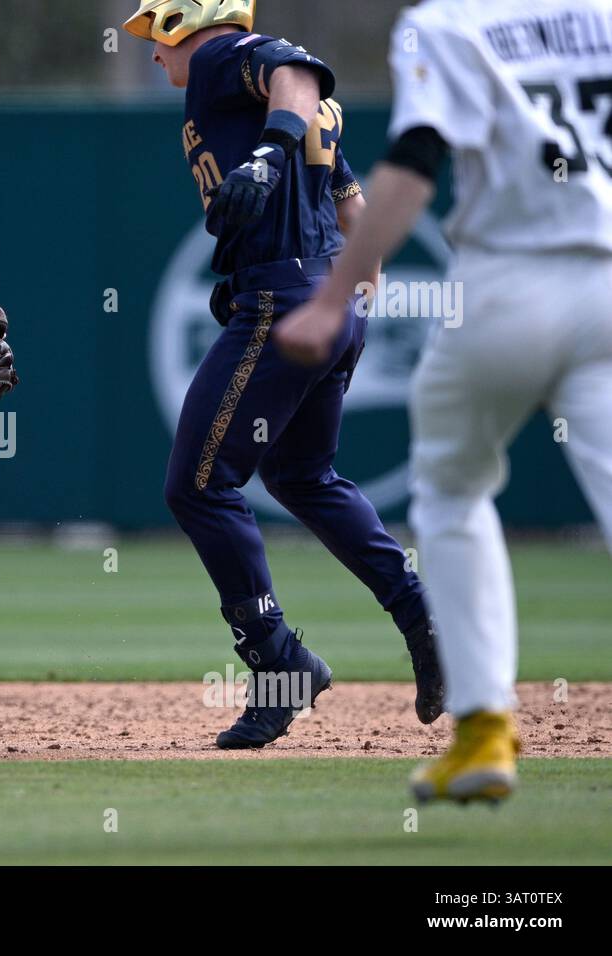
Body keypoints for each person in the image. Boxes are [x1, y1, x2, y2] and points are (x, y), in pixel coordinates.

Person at [276, 0, 612, 801]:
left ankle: (486, 730)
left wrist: (332, 297)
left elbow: (415, 164)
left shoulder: (450, 20)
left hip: (507, 282)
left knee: (454, 493)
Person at [123, 0, 444, 748]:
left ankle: (278, 662)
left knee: (197, 485)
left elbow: (296, 73)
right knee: (304, 478)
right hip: (329, 294)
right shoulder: (285, 111)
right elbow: (357, 211)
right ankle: (420, 613)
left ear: (185, 19)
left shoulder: (216, 60)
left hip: (286, 296)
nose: (150, 52)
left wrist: (266, 162)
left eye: (153, 33)